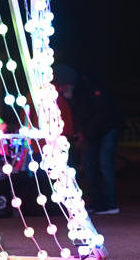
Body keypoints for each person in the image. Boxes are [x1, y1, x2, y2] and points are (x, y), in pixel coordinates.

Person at [54, 64, 125, 215]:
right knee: (89, 164)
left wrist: (85, 133)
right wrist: (81, 132)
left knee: (105, 164)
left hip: (108, 127)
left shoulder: (88, 86)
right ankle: (96, 203)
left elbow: (102, 112)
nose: (60, 89)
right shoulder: (72, 94)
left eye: (62, 85)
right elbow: (79, 115)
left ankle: (110, 204)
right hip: (92, 131)